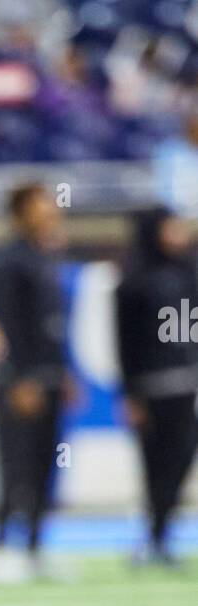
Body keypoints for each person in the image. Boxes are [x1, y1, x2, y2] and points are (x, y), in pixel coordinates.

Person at [0, 183, 70, 581]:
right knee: (14, 463)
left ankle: (35, 546)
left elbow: (51, 326)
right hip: (18, 380)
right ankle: (0, 546)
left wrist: (63, 372)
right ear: (21, 210)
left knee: (45, 465)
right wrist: (14, 379)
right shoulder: (3, 258)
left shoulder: (47, 255)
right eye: (41, 203)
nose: (50, 210)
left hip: (50, 376)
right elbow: (2, 325)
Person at [116, 208, 198, 565]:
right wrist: (130, 393)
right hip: (151, 387)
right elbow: (125, 342)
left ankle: (160, 532)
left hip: (186, 383)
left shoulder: (188, 272)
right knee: (155, 464)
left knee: (182, 458)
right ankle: (154, 535)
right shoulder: (133, 281)